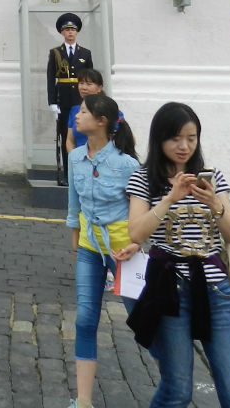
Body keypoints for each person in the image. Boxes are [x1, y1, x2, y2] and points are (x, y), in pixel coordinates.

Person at [125, 102, 230, 408]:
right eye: (175, 138)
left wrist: (214, 204)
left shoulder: (212, 177)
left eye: (191, 138)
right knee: (177, 390)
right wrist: (169, 199)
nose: (184, 146)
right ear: (160, 140)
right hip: (170, 290)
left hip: (216, 289)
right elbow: (136, 233)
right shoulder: (144, 179)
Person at [66, 93, 140, 408]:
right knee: (84, 319)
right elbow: (73, 203)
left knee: (141, 317)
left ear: (102, 121)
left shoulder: (128, 164)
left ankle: (172, 375)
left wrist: (136, 243)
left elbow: (141, 211)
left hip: (125, 248)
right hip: (88, 245)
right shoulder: (74, 157)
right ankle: (83, 401)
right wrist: (74, 236)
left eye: (83, 112)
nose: (76, 117)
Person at [47, 13, 93, 185]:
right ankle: (67, 174)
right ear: (62, 32)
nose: (70, 32)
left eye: (73, 29)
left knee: (85, 136)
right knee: (66, 137)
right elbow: (51, 78)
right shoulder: (56, 53)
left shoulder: (85, 53)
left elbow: (91, 78)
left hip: (81, 100)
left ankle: (85, 171)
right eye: (67, 29)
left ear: (77, 32)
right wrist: (52, 102)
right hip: (63, 101)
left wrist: (92, 99)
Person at [65, 70, 118, 155]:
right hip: (81, 160)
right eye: (81, 83)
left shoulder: (109, 109)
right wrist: (75, 159)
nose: (84, 87)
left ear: (99, 88)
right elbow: (70, 141)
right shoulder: (74, 110)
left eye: (89, 84)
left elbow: (123, 137)